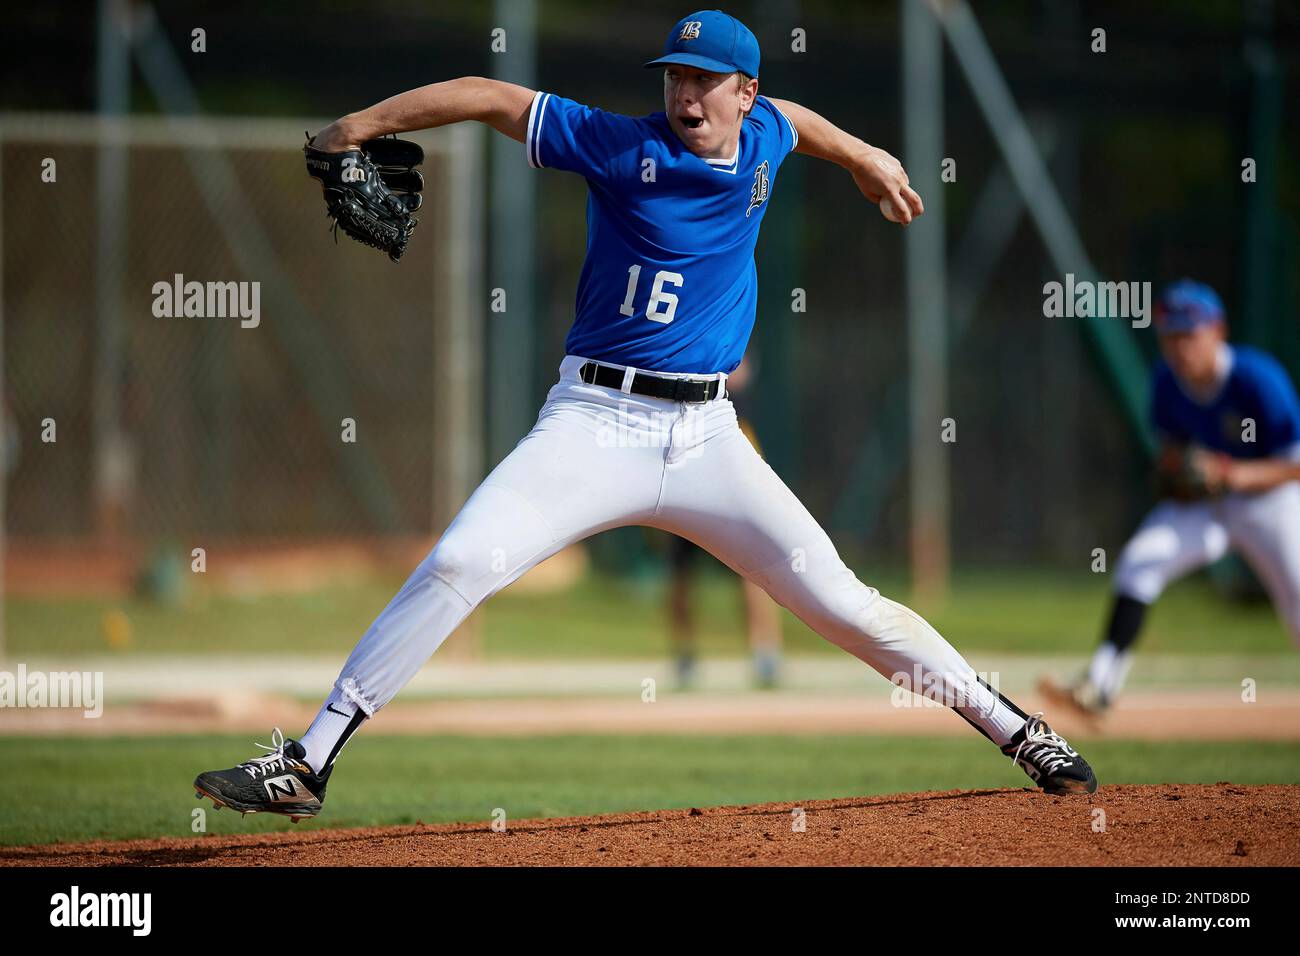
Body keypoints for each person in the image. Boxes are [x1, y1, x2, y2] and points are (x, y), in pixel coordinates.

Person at [194, 10, 1097, 820]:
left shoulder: (766, 137)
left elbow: (800, 126)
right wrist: (357, 127)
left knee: (841, 603)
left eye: (704, 79)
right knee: (463, 557)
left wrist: (864, 155)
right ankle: (309, 761)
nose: (684, 92)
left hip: (708, 438)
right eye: (674, 75)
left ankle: (1021, 731)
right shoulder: (619, 144)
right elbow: (487, 94)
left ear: (746, 92)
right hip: (594, 421)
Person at [1041, 279, 1300, 717]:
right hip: (1207, 506)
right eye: (1170, 336)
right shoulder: (1166, 383)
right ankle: (1099, 686)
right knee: (1141, 559)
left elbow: (1293, 463)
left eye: (1189, 334)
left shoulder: (1256, 377)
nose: (1180, 347)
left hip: (1269, 501)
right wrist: (1179, 472)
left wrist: (1231, 472)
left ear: (1217, 330)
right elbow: (1173, 455)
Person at [662, 356, 784, 689]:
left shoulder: (732, 405)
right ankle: (684, 655)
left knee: (752, 574)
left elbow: (739, 373)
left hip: (729, 477)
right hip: (684, 474)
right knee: (681, 576)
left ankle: (765, 654)